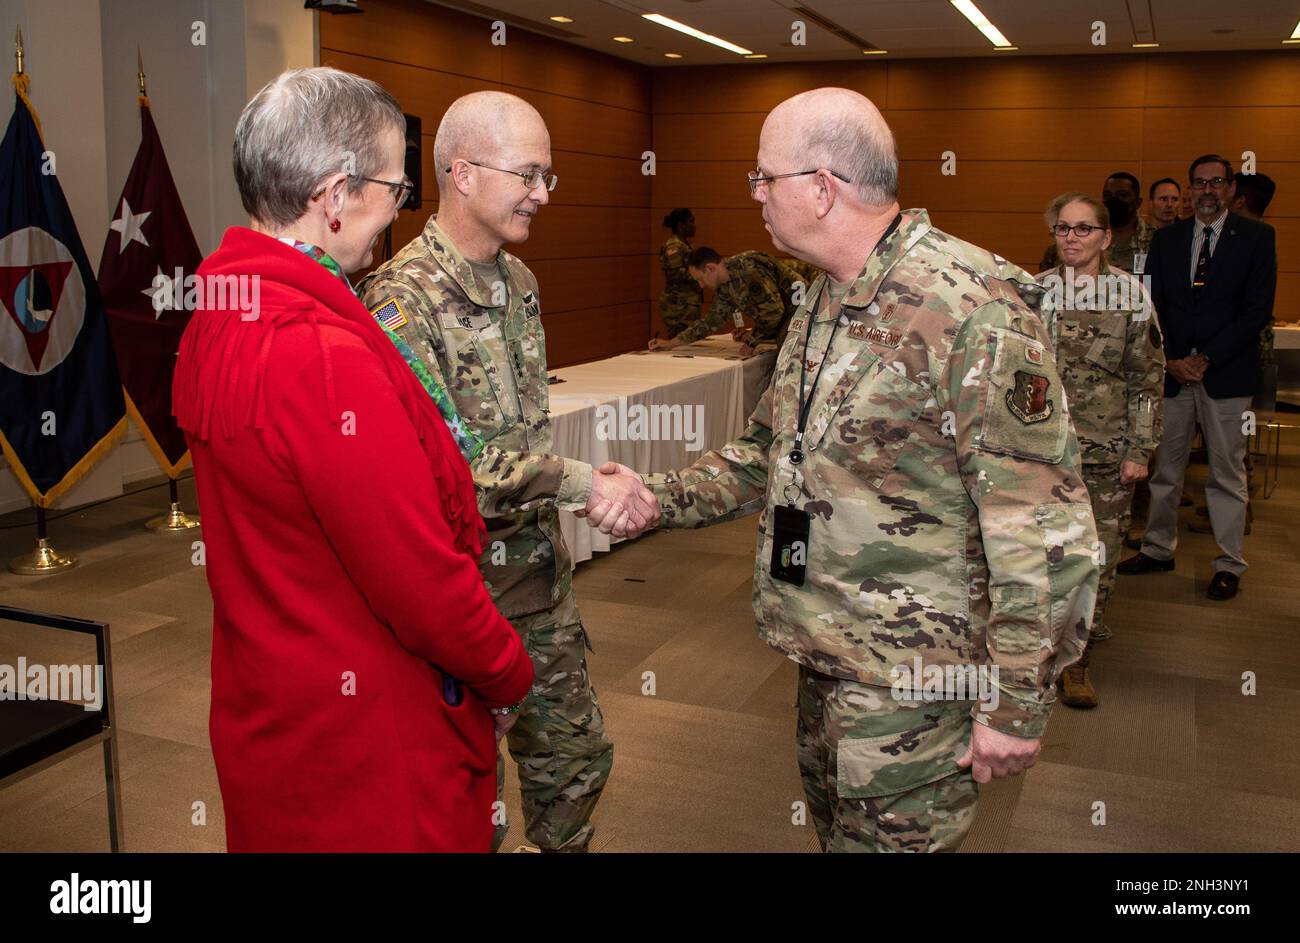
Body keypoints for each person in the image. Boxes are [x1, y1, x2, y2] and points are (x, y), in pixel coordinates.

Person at [590, 87, 1098, 852]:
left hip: (919, 681)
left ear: (822, 188)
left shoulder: (970, 308)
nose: (756, 196)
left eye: (765, 178)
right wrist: (656, 497)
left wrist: (1015, 703)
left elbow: (1041, 527)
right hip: (827, 656)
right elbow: (773, 452)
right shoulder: (826, 295)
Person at [172, 68, 534, 852]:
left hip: (273, 698)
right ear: (335, 195)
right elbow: (417, 578)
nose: (396, 215)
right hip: (368, 734)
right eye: (397, 192)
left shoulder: (222, 311)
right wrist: (506, 672)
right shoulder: (321, 351)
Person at [358, 90, 658, 853]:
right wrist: (586, 483)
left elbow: (519, 432)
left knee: (575, 762)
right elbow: (445, 463)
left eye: (548, 175)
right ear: (463, 173)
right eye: (529, 173)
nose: (543, 193)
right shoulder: (399, 301)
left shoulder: (519, 283)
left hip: (537, 581)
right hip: (453, 599)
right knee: (466, 788)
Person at [1119, 155, 1277, 601]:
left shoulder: (1257, 238)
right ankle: (1157, 548)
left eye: (1216, 182)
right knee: (1165, 472)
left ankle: (1228, 563)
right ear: (1191, 190)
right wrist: (1168, 360)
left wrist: (1204, 358)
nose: (1207, 190)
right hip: (1171, 376)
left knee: (1226, 474)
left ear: (1229, 189)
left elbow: (1256, 311)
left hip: (1225, 375)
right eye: (1199, 183)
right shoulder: (1167, 240)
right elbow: (1151, 306)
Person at [1036, 193, 1165, 708]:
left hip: (1105, 454)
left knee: (1097, 558)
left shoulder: (1129, 296)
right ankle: (1040, 648)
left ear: (1106, 237)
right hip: (1040, 451)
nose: (1071, 237)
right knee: (1041, 554)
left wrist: (1139, 448)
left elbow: (1147, 380)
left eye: (1084, 229)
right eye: (1063, 228)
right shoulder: (1035, 293)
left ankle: (1077, 659)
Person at [650, 247, 812, 357]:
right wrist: (670, 344)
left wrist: (752, 340)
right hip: (792, 309)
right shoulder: (725, 287)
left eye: (700, 279)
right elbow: (709, 323)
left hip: (807, 303)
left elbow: (774, 312)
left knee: (786, 353)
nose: (701, 285)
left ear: (710, 268)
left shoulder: (748, 270)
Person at [1038, 172, 1154, 275]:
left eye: (1122, 195)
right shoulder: (1065, 244)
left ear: (1138, 202)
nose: (1114, 200)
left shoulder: (1154, 240)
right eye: (1107, 195)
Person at [658, 208, 703, 339]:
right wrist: (702, 275)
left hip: (686, 304)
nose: (694, 226)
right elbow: (676, 273)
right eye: (691, 222)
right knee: (680, 344)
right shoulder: (674, 246)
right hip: (678, 307)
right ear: (681, 225)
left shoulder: (685, 245)